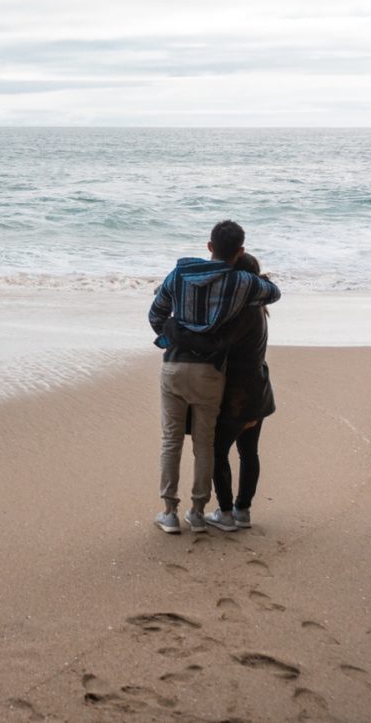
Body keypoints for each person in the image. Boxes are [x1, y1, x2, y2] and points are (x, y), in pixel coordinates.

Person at [147, 220, 280, 534]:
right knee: (211, 446)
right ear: (240, 252)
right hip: (226, 380)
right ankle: (201, 512)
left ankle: (173, 513)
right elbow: (273, 292)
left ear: (209, 246)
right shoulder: (245, 289)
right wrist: (246, 283)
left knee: (173, 442)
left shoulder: (181, 274)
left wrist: (172, 337)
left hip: (185, 372)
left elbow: (156, 315)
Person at [203, 251, 276, 533]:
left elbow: (220, 345)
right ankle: (242, 510)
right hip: (258, 389)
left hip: (237, 395)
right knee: (248, 452)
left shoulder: (242, 311)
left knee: (217, 451)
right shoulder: (258, 307)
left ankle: (225, 512)